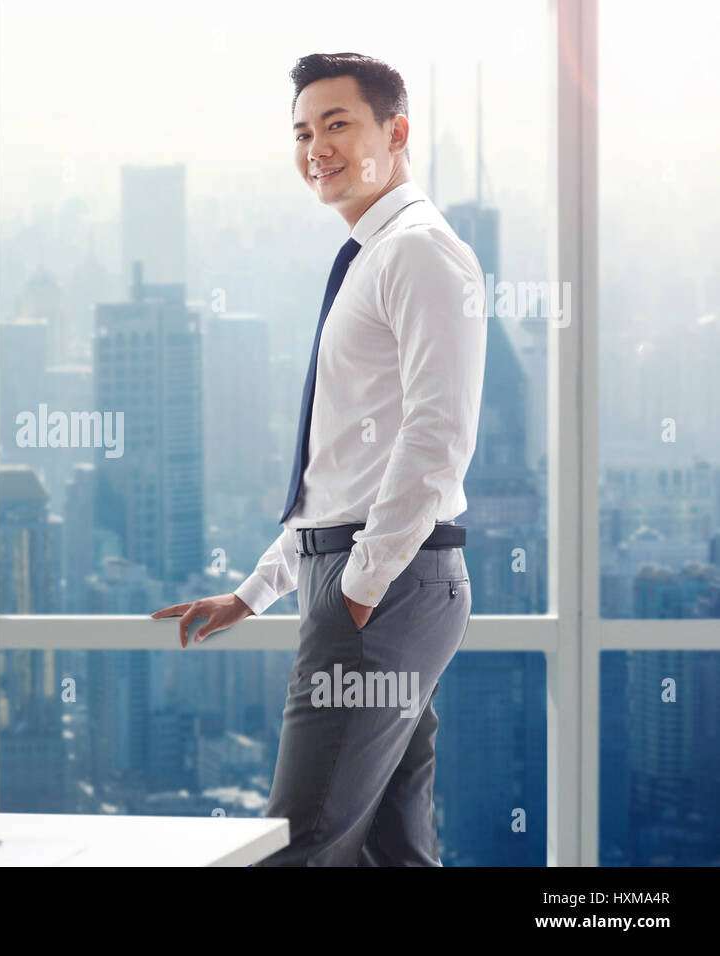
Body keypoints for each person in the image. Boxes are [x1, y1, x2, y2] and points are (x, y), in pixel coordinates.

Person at [152, 52, 487, 866]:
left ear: (396, 132)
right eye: (303, 131)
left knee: (294, 844)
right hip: (371, 575)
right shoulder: (373, 255)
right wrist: (256, 591)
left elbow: (436, 437)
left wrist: (362, 589)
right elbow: (342, 477)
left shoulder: (416, 251)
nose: (316, 148)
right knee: (389, 848)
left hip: (385, 583)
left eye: (338, 124)